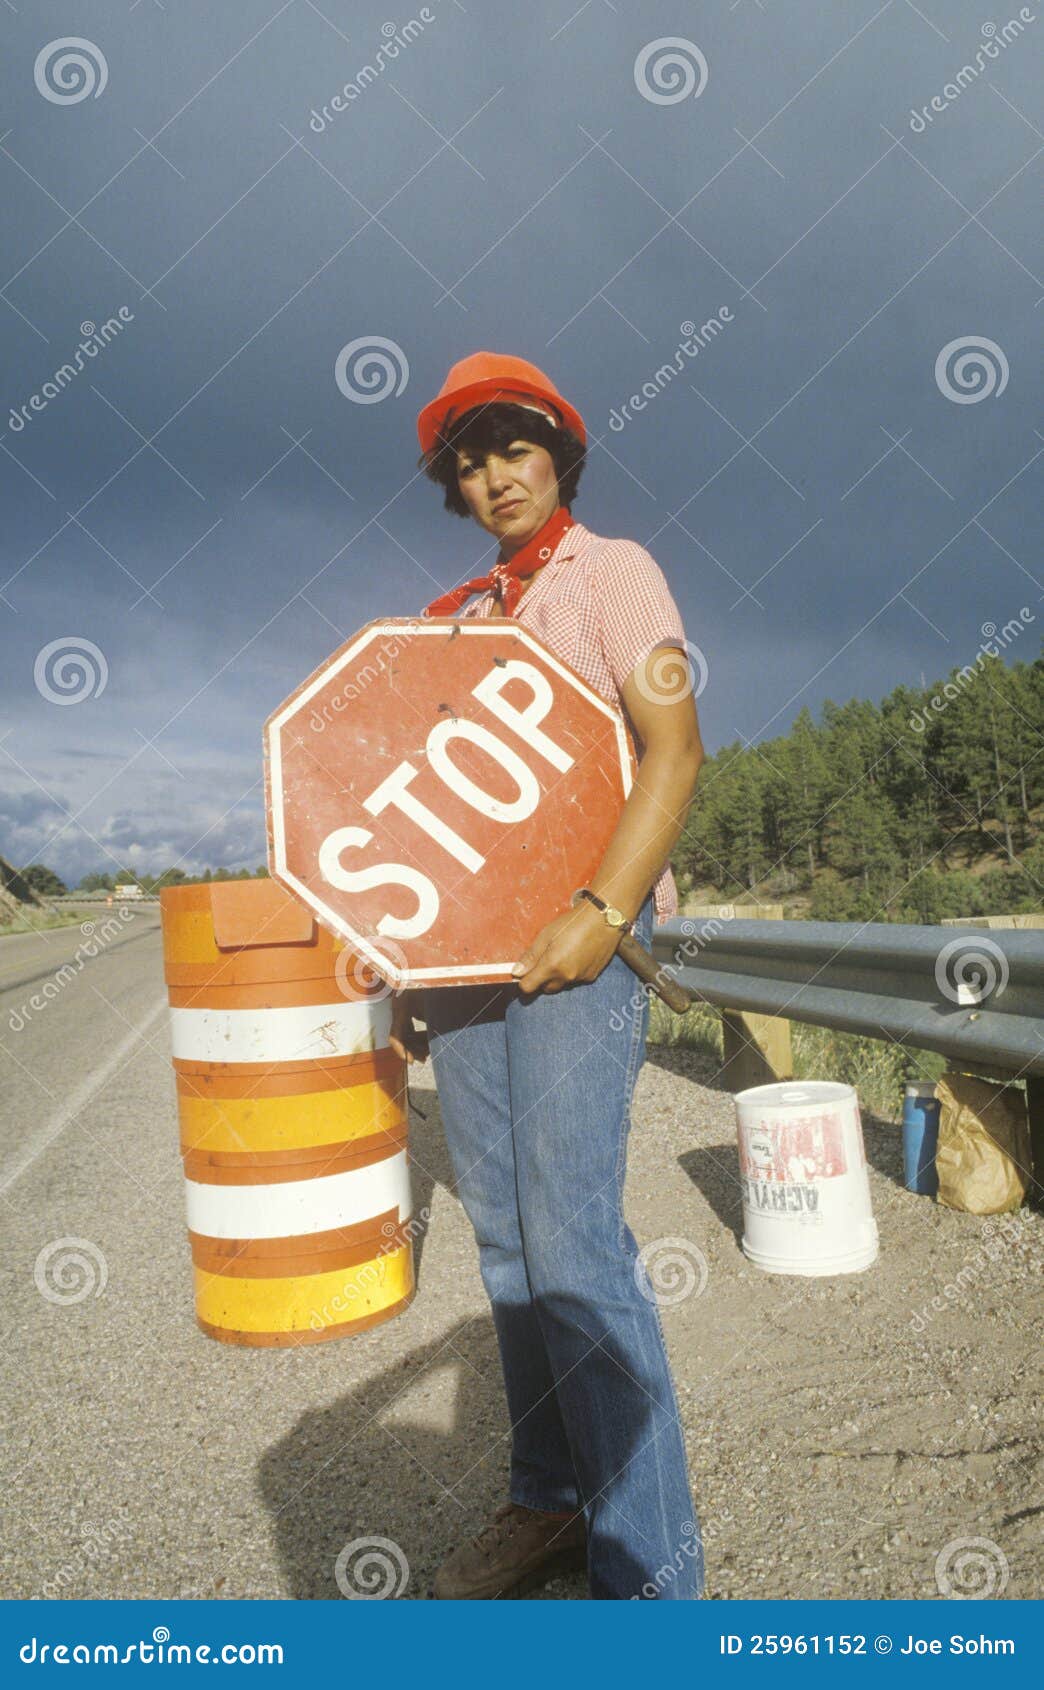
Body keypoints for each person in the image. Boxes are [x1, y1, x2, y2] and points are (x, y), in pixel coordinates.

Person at [389, 352, 705, 1600]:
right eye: (468, 463)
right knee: (509, 1250)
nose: (493, 476)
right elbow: (415, 819)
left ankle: (653, 1573)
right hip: (465, 967)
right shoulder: (453, 619)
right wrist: (406, 968)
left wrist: (600, 907)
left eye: (514, 447)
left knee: (574, 1247)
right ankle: (550, 1505)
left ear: (558, 453)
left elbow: (674, 750)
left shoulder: (614, 573)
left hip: (585, 951)